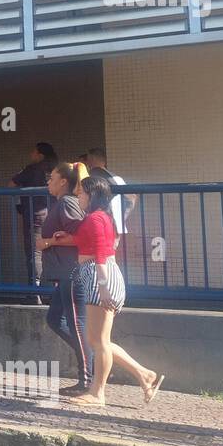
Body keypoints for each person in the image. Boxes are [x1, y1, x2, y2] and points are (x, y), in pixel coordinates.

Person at [54, 174, 163, 406]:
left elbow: (102, 252)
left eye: (82, 192)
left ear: (92, 194)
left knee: (100, 341)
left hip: (99, 276)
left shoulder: (95, 218)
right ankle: (145, 375)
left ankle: (97, 393)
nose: (78, 196)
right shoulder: (100, 217)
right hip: (99, 275)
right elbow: (92, 243)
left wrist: (103, 287)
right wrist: (70, 237)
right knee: (98, 339)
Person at [35, 162, 92, 393]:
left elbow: (81, 236)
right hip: (63, 274)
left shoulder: (67, 202)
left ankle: (87, 378)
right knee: (54, 319)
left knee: (77, 326)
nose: (48, 182)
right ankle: (92, 357)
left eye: (52, 178)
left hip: (72, 272)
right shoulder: (62, 203)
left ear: (63, 182)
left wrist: (48, 242)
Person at [10, 142, 59, 296]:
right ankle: (57, 291)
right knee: (55, 250)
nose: (31, 155)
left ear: (40, 155)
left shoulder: (32, 169)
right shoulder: (58, 168)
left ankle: (34, 291)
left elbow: (11, 184)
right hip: (56, 214)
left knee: (35, 251)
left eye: (34, 152)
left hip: (35, 214)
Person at [84, 147, 134, 244]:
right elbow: (132, 197)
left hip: (102, 224)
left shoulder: (94, 176)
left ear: (92, 159)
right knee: (111, 256)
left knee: (101, 256)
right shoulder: (117, 177)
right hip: (117, 225)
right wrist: (122, 217)